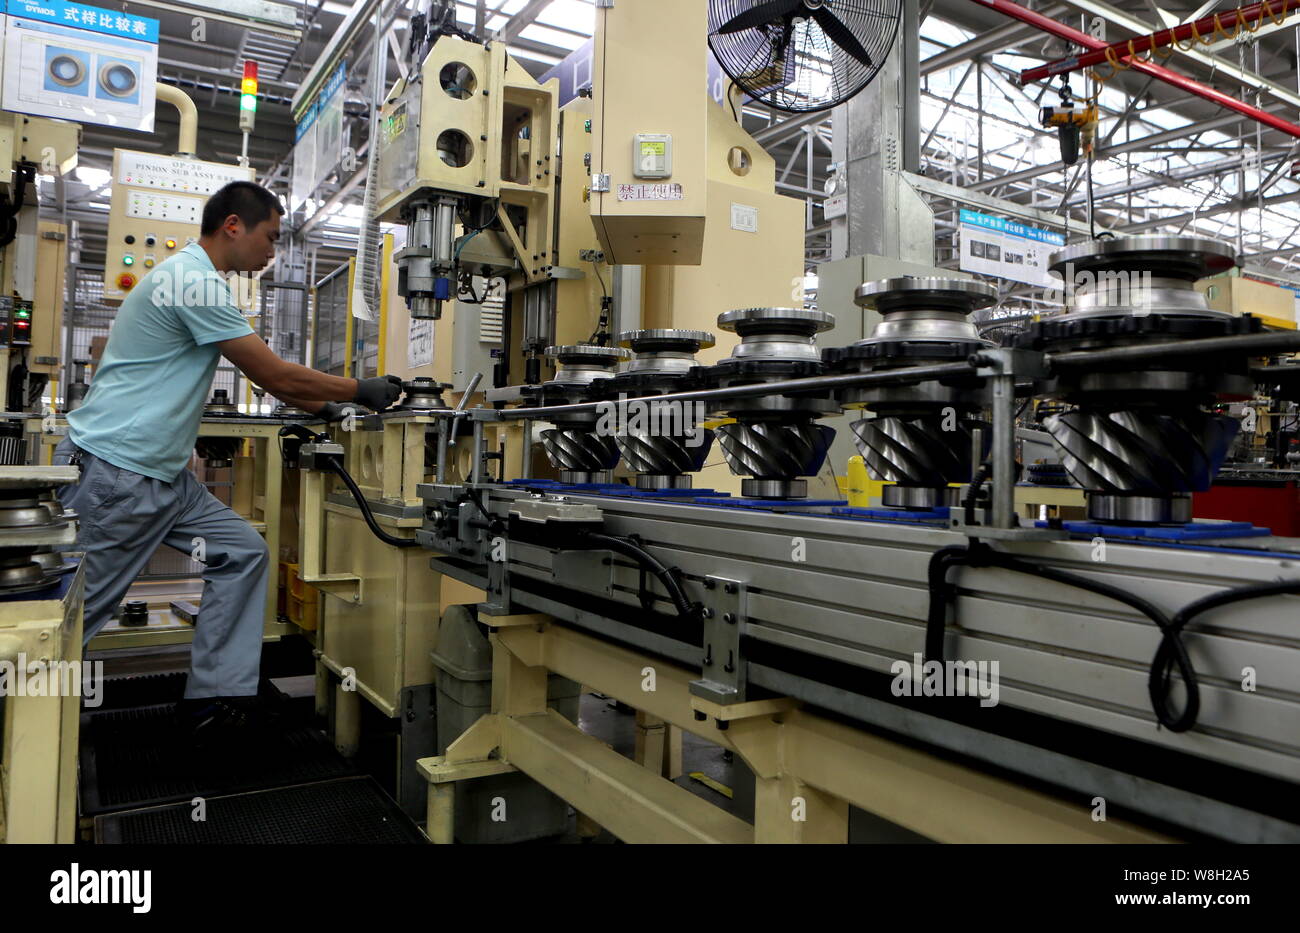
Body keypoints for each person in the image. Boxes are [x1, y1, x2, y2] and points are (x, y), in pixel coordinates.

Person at [54, 180, 402, 737]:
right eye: (270, 237)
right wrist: (359, 389)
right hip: (119, 473)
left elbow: (276, 383)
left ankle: (212, 700)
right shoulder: (192, 283)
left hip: (162, 478)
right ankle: (23, 741)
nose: (273, 251)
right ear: (233, 227)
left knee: (243, 552)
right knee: (69, 617)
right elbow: (273, 373)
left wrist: (334, 411)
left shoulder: (198, 281)